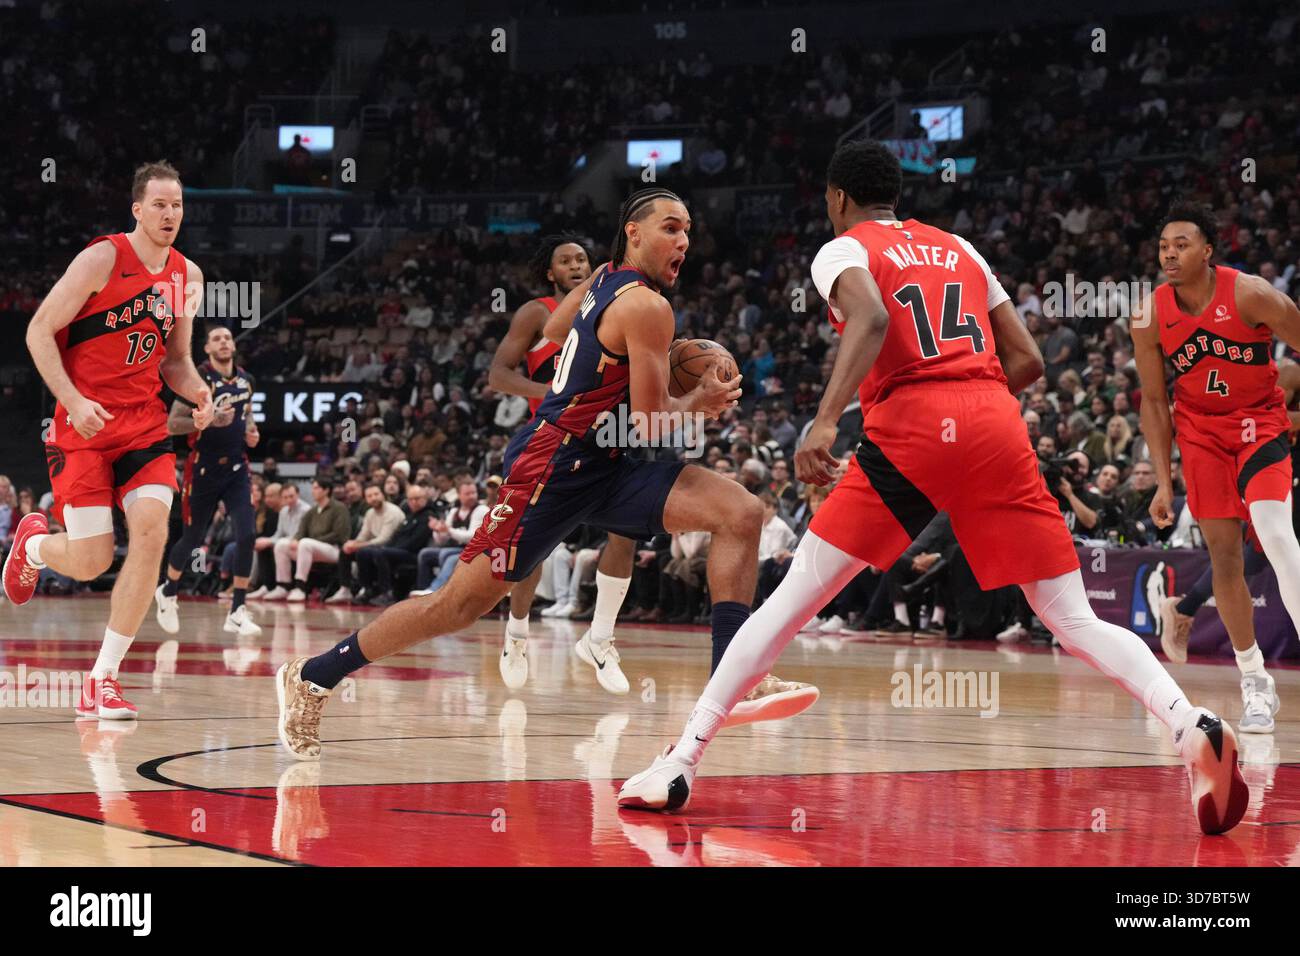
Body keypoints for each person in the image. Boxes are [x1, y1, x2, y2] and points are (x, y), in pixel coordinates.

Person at [617, 142, 1247, 836]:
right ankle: (1192, 724)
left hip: (913, 428)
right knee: (1071, 617)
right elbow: (1028, 360)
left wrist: (824, 421)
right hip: (995, 421)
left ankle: (681, 760)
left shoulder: (843, 249)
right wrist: (971, 414)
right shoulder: (960, 247)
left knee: (790, 603)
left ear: (837, 199)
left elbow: (874, 319)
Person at [274, 188, 816, 760]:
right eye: (670, 228)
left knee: (742, 513)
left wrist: (609, 362)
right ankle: (313, 675)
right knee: (456, 607)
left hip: (608, 461)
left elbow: (554, 329)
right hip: (552, 469)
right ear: (633, 232)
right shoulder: (647, 307)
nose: (683, 241)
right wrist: (698, 400)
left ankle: (735, 678)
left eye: (688, 232)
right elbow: (657, 423)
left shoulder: (607, 278)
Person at [4, 160, 214, 719]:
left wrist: (199, 394)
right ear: (138, 209)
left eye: (179, 205)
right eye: (161, 205)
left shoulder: (188, 278)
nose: (171, 214)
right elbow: (38, 330)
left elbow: (176, 362)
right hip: (84, 424)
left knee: (151, 532)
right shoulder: (101, 258)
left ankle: (103, 678)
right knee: (93, 560)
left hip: (143, 425)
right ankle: (33, 546)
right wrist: (72, 401)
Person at [1134, 207, 1300, 734]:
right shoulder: (1149, 314)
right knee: (1224, 558)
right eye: (1163, 245)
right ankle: (1255, 682)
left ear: (1207, 251)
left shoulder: (1250, 293)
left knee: (1274, 534)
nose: (1169, 254)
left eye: (1181, 244)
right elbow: (1155, 403)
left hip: (1259, 425)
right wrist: (1163, 480)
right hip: (1200, 433)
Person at [484, 234, 637, 692]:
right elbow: (498, 375)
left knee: (626, 534)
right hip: (550, 439)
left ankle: (601, 638)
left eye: (582, 259)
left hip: (607, 436)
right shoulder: (537, 312)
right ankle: (516, 633)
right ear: (550, 273)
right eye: (565, 261)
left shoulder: (612, 305)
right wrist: (550, 393)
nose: (576, 265)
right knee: (533, 546)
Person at [155, 324, 262, 636]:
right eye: (217, 338)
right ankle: (168, 590)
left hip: (237, 468)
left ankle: (238, 610)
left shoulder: (246, 379)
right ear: (207, 349)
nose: (224, 342)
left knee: (247, 535)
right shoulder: (197, 379)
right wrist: (207, 418)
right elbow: (172, 424)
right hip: (203, 467)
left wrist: (251, 431)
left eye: (227, 337)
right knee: (192, 537)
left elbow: (247, 413)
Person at [326, 483, 404, 604]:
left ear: (382, 495)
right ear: (366, 499)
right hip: (374, 548)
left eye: (376, 494)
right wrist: (352, 544)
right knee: (346, 550)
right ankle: (345, 589)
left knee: (363, 551)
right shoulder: (370, 513)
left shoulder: (392, 512)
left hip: (392, 547)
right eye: (369, 496)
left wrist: (358, 545)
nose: (373, 498)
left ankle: (373, 590)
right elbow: (363, 535)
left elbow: (384, 539)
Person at [247, 483, 309, 598]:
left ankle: (284, 585)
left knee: (276, 544)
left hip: (300, 546)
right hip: (285, 544)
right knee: (262, 543)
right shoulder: (284, 511)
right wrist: (267, 541)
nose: (289, 500)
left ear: (298, 495)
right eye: (285, 497)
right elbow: (278, 534)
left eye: (291, 496)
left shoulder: (305, 510)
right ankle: (266, 586)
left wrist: (270, 542)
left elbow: (297, 535)